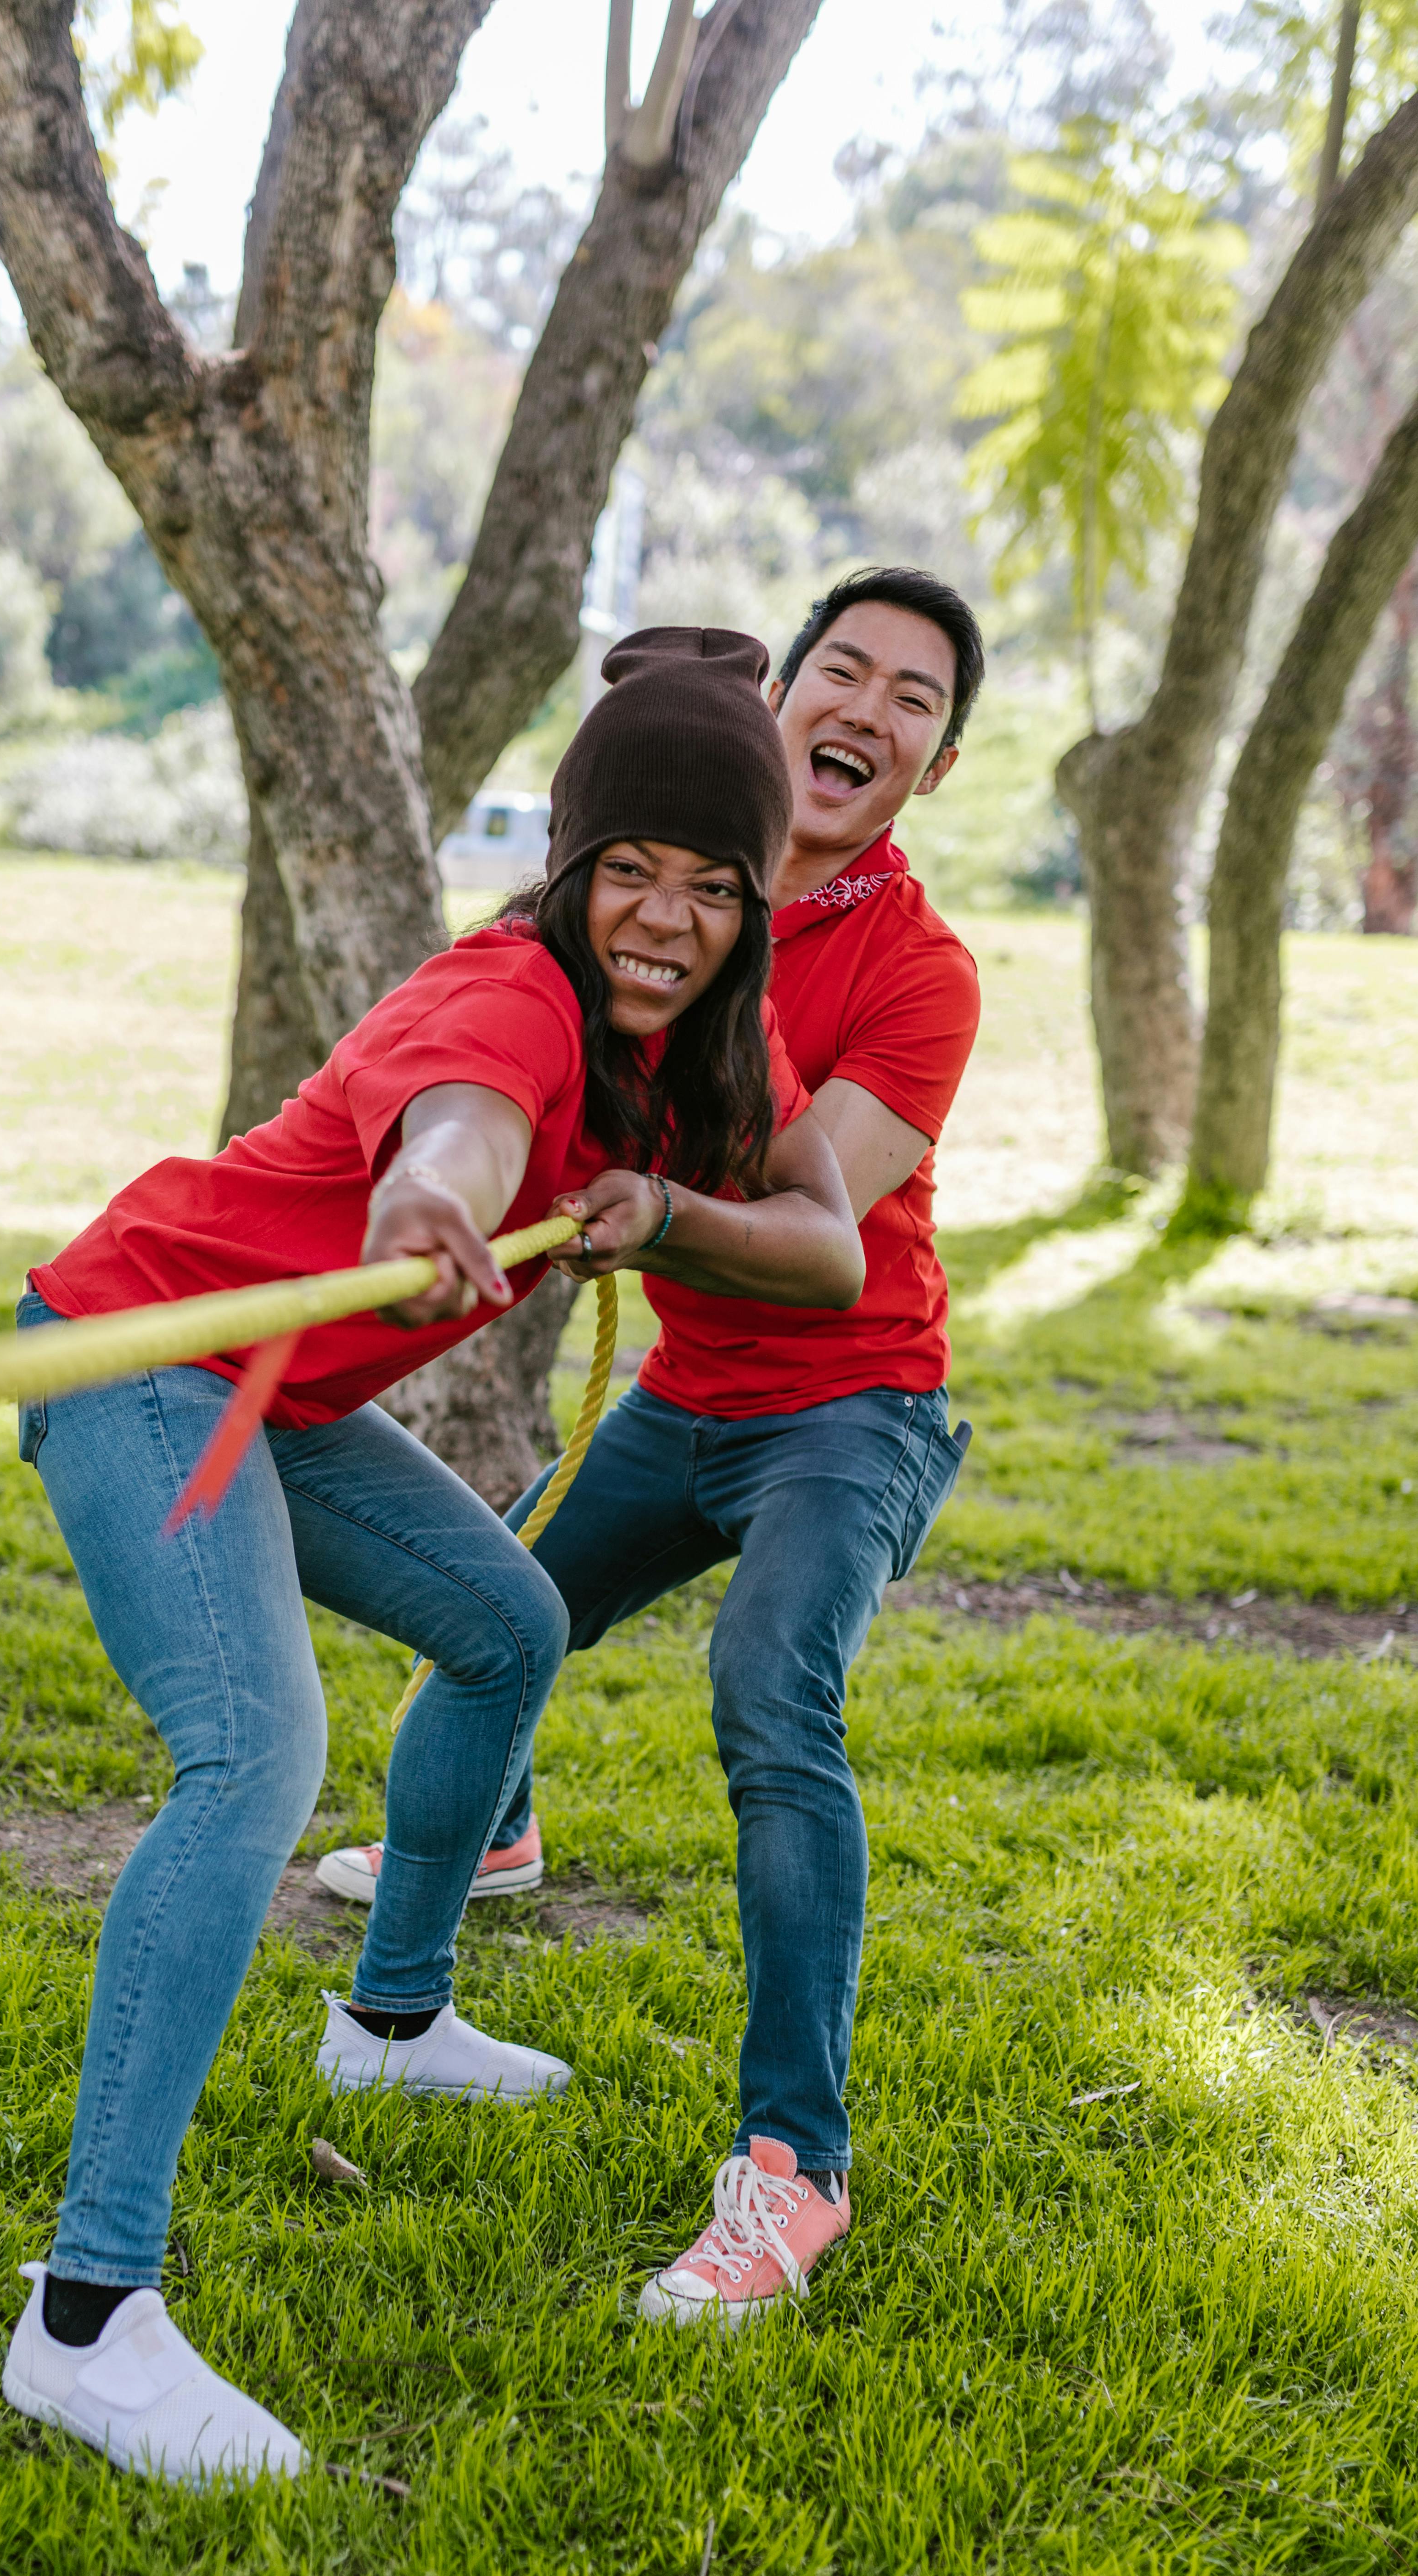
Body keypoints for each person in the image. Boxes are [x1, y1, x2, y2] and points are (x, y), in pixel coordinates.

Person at [0, 627, 864, 2487]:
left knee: (506, 1620)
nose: (663, 913)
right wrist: (430, 1198)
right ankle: (84, 2316)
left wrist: (673, 1209)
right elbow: (450, 1124)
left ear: (746, 912)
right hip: (145, 1350)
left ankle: (386, 2019)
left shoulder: (702, 1045)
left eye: (712, 883)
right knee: (251, 1760)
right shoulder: (509, 1000)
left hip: (276, 1392)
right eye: (626, 866)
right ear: (565, 868)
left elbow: (828, 1239)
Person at [319, 566, 986, 2329]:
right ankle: (419, 1974)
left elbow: (812, 1231)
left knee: (774, 1700)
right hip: (686, 1395)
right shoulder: (656, 882)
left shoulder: (918, 972)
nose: (869, 707)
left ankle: (794, 2176)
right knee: (492, 1613)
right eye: (841, 668)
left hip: (852, 1407)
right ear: (781, 701)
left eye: (913, 699)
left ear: (930, 762)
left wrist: (655, 1203)